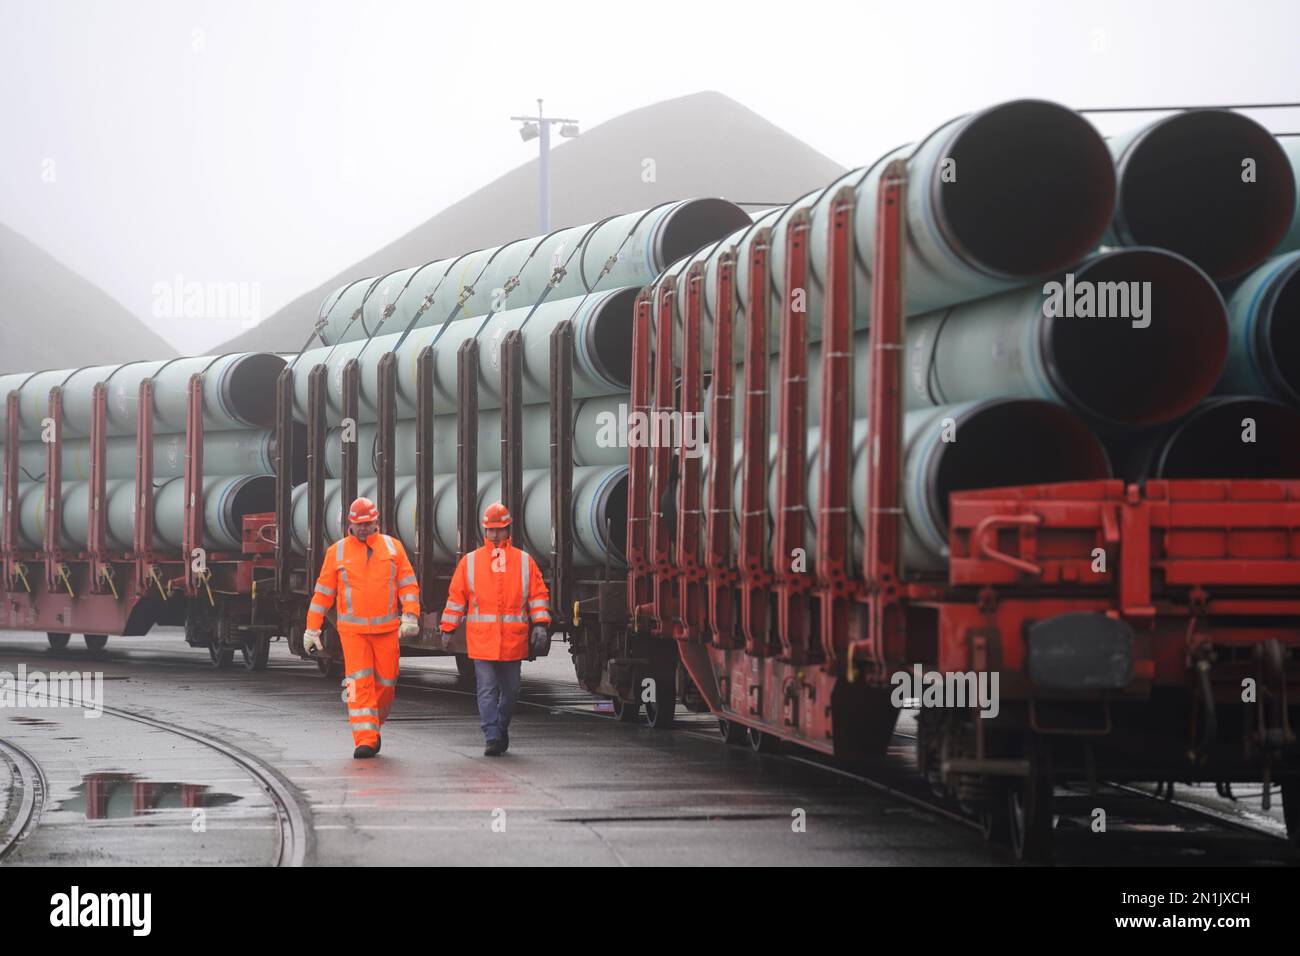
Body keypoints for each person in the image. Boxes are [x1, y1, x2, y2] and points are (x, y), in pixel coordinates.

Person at [303, 496, 421, 758]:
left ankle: (373, 727)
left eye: (368, 523)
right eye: (360, 524)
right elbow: (322, 594)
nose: (364, 528)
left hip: (386, 630)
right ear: (350, 524)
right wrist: (312, 629)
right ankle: (365, 738)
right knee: (358, 684)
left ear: (376, 522)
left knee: (387, 683)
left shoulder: (393, 548)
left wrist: (410, 616)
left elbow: (408, 585)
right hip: (353, 632)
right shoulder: (337, 552)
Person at [439, 502, 550, 756]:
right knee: (486, 689)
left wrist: (541, 624)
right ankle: (491, 735)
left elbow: (538, 595)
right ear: (484, 531)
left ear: (508, 530)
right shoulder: (470, 562)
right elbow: (456, 599)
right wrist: (447, 629)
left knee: (511, 692)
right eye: (491, 530)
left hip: (513, 641)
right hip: (483, 641)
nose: (495, 535)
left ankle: (501, 725)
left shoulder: (523, 562)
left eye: (500, 530)